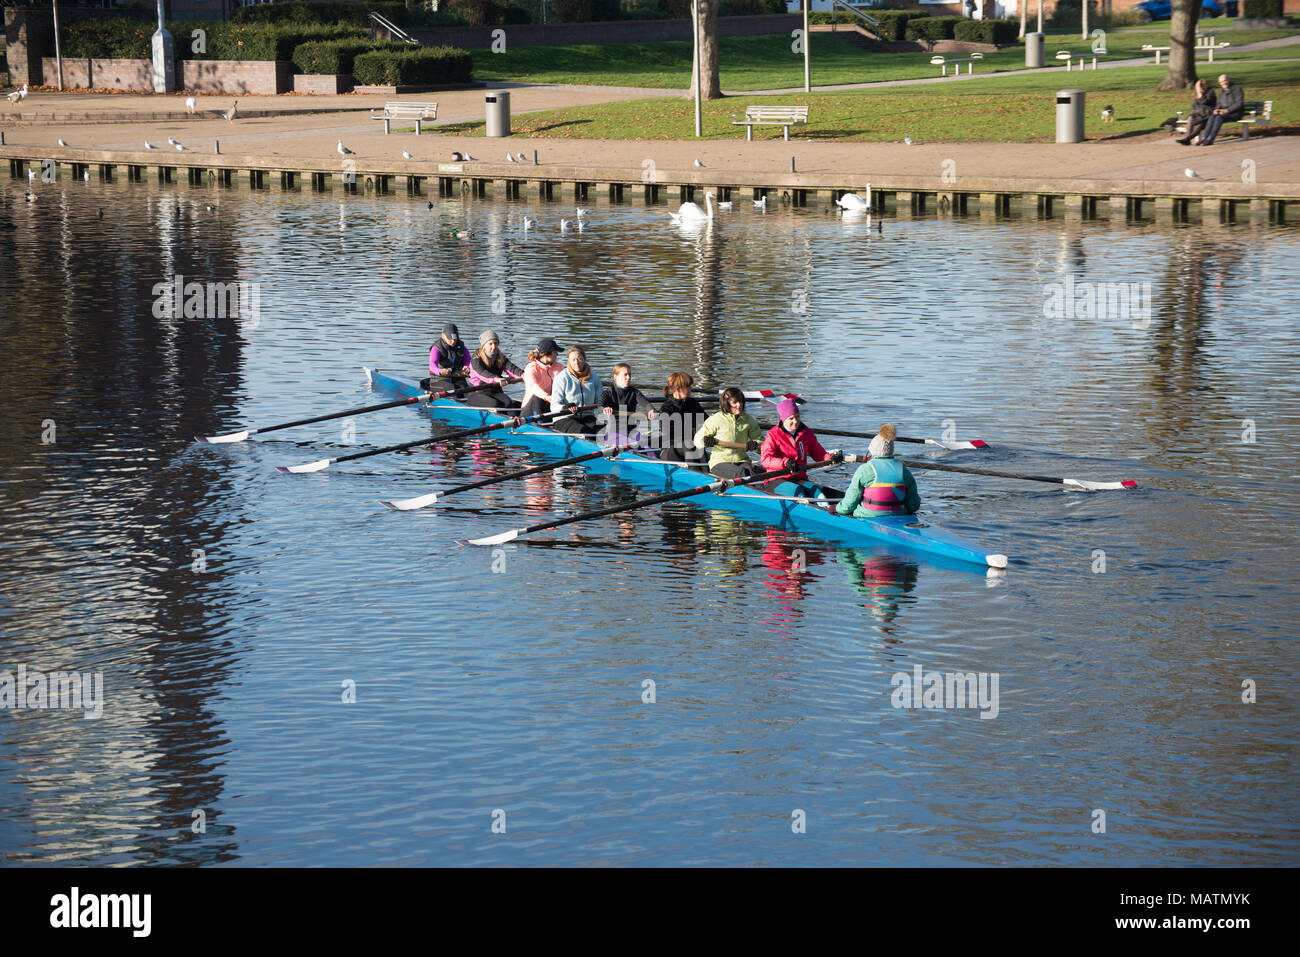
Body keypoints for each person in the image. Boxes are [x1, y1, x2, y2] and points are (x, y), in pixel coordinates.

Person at [760, 397, 837, 500]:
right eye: (791, 418)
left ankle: (828, 511)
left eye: (797, 416)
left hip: (798, 477)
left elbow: (818, 452)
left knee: (819, 493)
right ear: (783, 419)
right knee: (800, 493)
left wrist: (830, 458)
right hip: (777, 478)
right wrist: (785, 463)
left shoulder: (806, 433)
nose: (795, 421)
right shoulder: (772, 435)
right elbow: (765, 460)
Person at [836, 425, 921, 518]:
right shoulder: (904, 470)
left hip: (867, 515)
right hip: (899, 514)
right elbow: (914, 505)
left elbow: (851, 501)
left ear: (871, 451)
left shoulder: (865, 469)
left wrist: (837, 509)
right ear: (892, 450)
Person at [693, 387, 763, 479]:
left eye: (741, 401)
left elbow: (762, 445)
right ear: (726, 403)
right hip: (719, 463)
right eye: (735, 402)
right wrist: (705, 441)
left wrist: (756, 446)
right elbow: (697, 440)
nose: (739, 405)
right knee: (743, 473)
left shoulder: (749, 420)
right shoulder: (715, 419)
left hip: (742, 461)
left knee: (752, 471)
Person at [656, 372, 708, 463]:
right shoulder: (667, 408)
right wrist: (693, 431)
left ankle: (707, 474)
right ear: (678, 389)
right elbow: (669, 433)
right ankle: (694, 474)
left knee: (699, 445)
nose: (691, 389)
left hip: (692, 445)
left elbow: (707, 421)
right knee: (688, 446)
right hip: (670, 449)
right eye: (688, 387)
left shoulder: (692, 403)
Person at [549, 346, 603, 434]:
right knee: (585, 432)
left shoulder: (594, 377)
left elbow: (600, 402)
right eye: (573, 360)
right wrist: (565, 407)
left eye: (579, 359)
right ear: (569, 361)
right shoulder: (562, 378)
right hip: (564, 417)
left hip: (587, 416)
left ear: (584, 359)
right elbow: (554, 406)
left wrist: (606, 408)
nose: (576, 362)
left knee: (604, 431)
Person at [599, 363, 655, 445]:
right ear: (615, 376)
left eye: (629, 374)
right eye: (625, 375)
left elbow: (645, 402)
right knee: (633, 445)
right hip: (614, 432)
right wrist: (604, 409)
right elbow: (600, 405)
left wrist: (651, 410)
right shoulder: (607, 393)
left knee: (650, 449)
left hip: (632, 430)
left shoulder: (634, 392)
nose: (628, 377)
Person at [465, 330, 523, 409]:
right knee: (493, 404)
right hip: (477, 391)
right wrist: (497, 379)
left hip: (495, 390)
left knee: (509, 403)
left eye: (496, 343)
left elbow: (512, 369)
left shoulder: (501, 357)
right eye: (490, 343)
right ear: (484, 345)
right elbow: (482, 373)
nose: (494, 346)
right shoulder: (476, 360)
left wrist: (524, 374)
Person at [520, 337, 563, 418]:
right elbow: (533, 386)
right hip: (530, 409)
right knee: (537, 397)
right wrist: (546, 396)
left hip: (550, 404)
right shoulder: (531, 368)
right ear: (548, 354)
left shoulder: (559, 367)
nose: (557, 354)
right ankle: (540, 425)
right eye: (556, 352)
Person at [1198, 74, 1244, 146]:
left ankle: (1210, 139)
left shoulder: (1237, 88)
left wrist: (1227, 110)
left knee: (1219, 117)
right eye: (1221, 82)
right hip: (1224, 113)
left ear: (1228, 80)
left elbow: (1239, 104)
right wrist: (1216, 109)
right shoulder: (1222, 90)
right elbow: (1219, 102)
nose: (1223, 83)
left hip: (1235, 113)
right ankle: (1204, 138)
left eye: (1224, 81)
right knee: (1212, 116)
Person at [427, 322, 471, 393]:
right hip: (440, 379)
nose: (453, 341)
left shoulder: (462, 346)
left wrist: (467, 367)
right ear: (443, 335)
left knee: (467, 392)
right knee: (452, 389)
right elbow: (432, 365)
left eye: (455, 338)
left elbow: (468, 361)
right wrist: (440, 371)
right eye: (450, 338)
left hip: (458, 378)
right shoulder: (436, 348)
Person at [1175, 79, 1217, 146]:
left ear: (1206, 85)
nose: (1201, 87)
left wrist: (1199, 93)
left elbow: (1204, 102)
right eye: (1199, 86)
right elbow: (1194, 105)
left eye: (1202, 86)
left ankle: (1187, 139)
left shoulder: (1210, 92)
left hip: (1207, 114)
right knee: (1191, 118)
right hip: (1198, 114)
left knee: (1199, 123)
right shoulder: (1197, 93)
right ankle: (1187, 139)